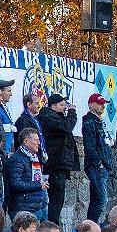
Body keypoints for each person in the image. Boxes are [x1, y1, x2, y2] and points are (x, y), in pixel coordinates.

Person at [38, 94, 80, 224]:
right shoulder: (48, 117)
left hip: (60, 164)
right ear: (53, 106)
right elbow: (66, 127)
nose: (65, 107)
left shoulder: (57, 117)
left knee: (58, 198)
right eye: (62, 105)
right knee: (55, 198)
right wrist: (72, 113)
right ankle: (51, 225)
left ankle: (53, 225)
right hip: (54, 164)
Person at [80, 93, 113, 223]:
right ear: (91, 105)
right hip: (97, 167)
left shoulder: (100, 122)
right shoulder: (90, 123)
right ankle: (90, 226)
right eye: (99, 104)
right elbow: (90, 147)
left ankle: (90, 226)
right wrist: (99, 163)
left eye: (103, 104)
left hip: (103, 166)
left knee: (97, 200)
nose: (103, 106)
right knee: (101, 201)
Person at [5, 127, 49, 220]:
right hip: (23, 208)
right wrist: (38, 185)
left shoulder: (34, 157)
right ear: (26, 141)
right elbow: (15, 184)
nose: (39, 143)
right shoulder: (17, 159)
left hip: (37, 205)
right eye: (36, 140)